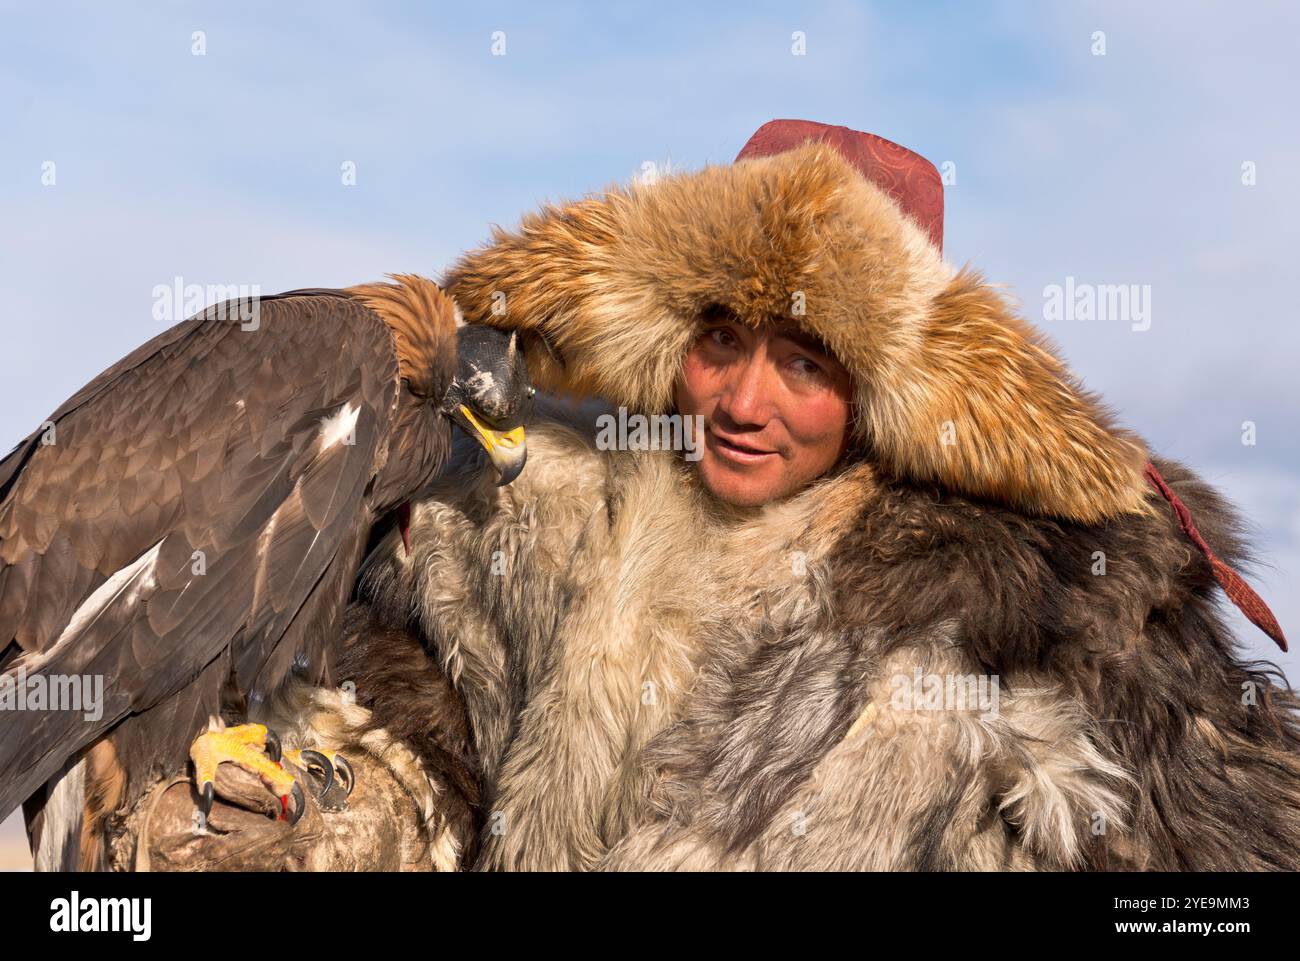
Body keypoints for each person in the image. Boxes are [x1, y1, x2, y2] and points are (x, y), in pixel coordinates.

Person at [137, 120, 1300, 871]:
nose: (745, 400)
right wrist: (325, 820)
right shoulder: (516, 511)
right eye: (723, 340)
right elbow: (420, 751)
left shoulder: (1021, 610)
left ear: (885, 392)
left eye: (806, 363)